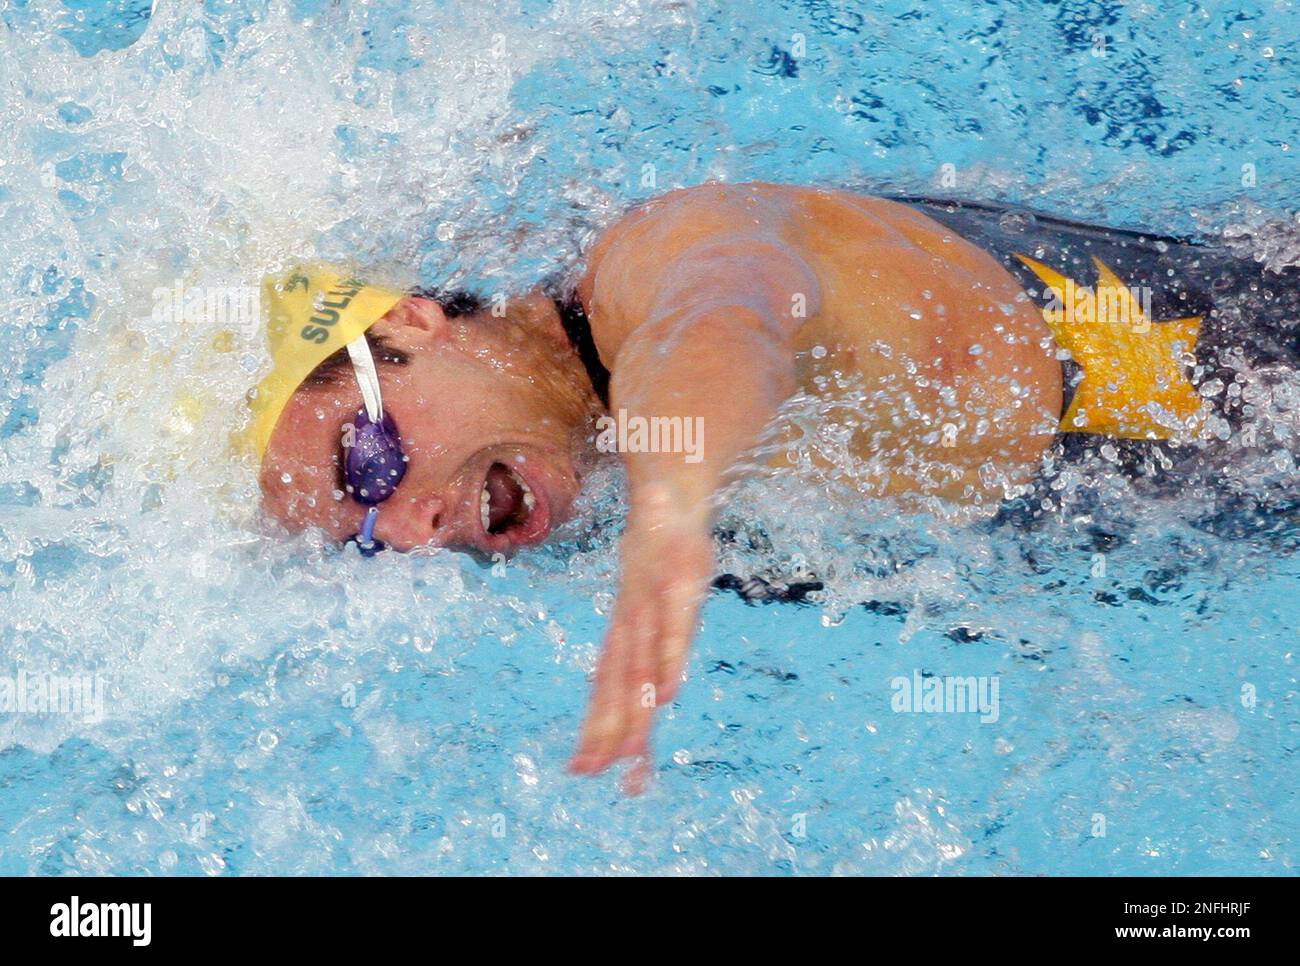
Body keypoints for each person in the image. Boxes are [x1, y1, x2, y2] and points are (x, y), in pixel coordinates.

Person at [243, 181, 1299, 786]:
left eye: (364, 463)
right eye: (365, 537)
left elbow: (730, 319)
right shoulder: (596, 493)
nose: (415, 529)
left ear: (408, 324)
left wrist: (672, 499)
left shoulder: (658, 259)